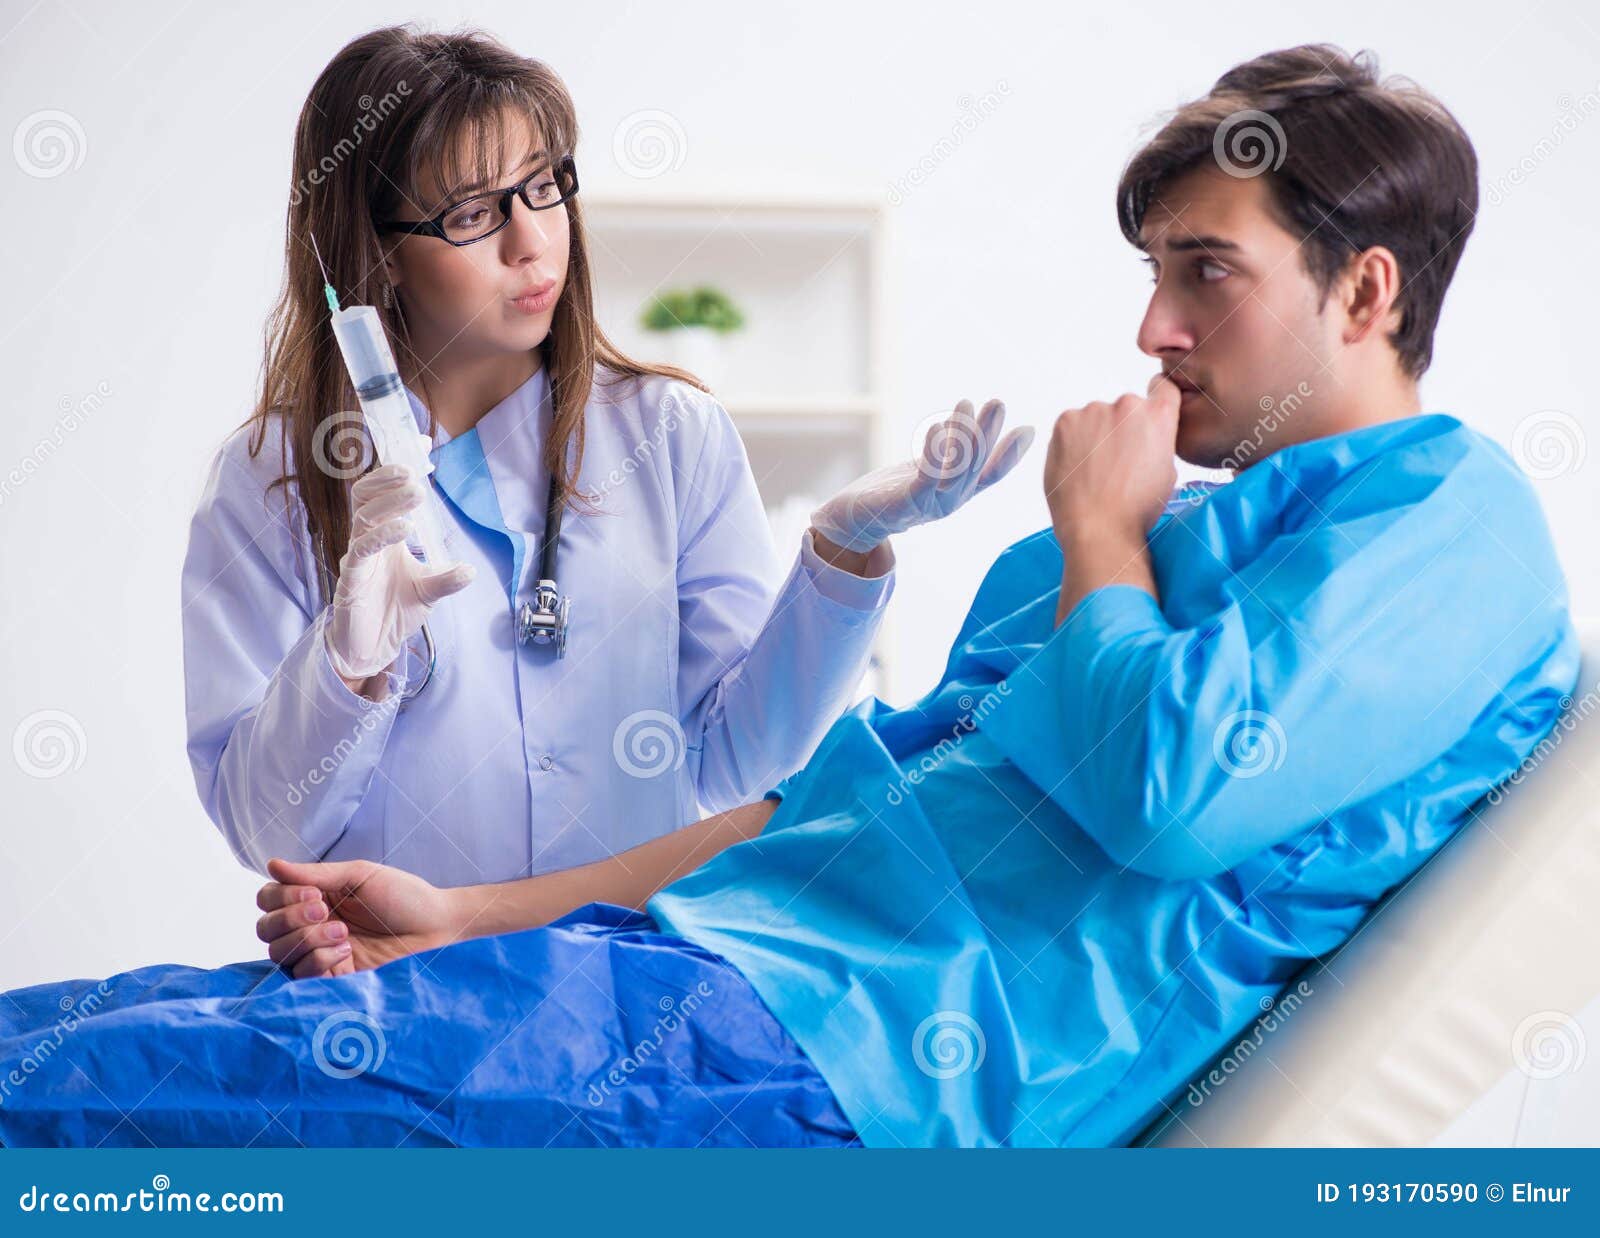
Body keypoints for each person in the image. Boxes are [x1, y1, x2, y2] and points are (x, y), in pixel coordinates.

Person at [0, 44, 1575, 1150]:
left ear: (1367, 289)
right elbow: (828, 795)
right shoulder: (1142, 556)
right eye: (1153, 271)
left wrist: (1072, 535)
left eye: (1204, 271)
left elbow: (1169, 797)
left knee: (100, 1113)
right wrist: (466, 910)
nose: (1151, 327)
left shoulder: (1453, 527)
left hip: (861, 1061)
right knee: (85, 1039)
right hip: (710, 960)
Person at [180, 24, 1032, 892]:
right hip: (398, 992)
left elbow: (737, 760)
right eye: (474, 214)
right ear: (379, 252)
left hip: (630, 977)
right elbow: (264, 829)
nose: (531, 243)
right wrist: (346, 669)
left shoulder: (670, 433)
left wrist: (844, 552)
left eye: (542, 188)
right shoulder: (275, 477)